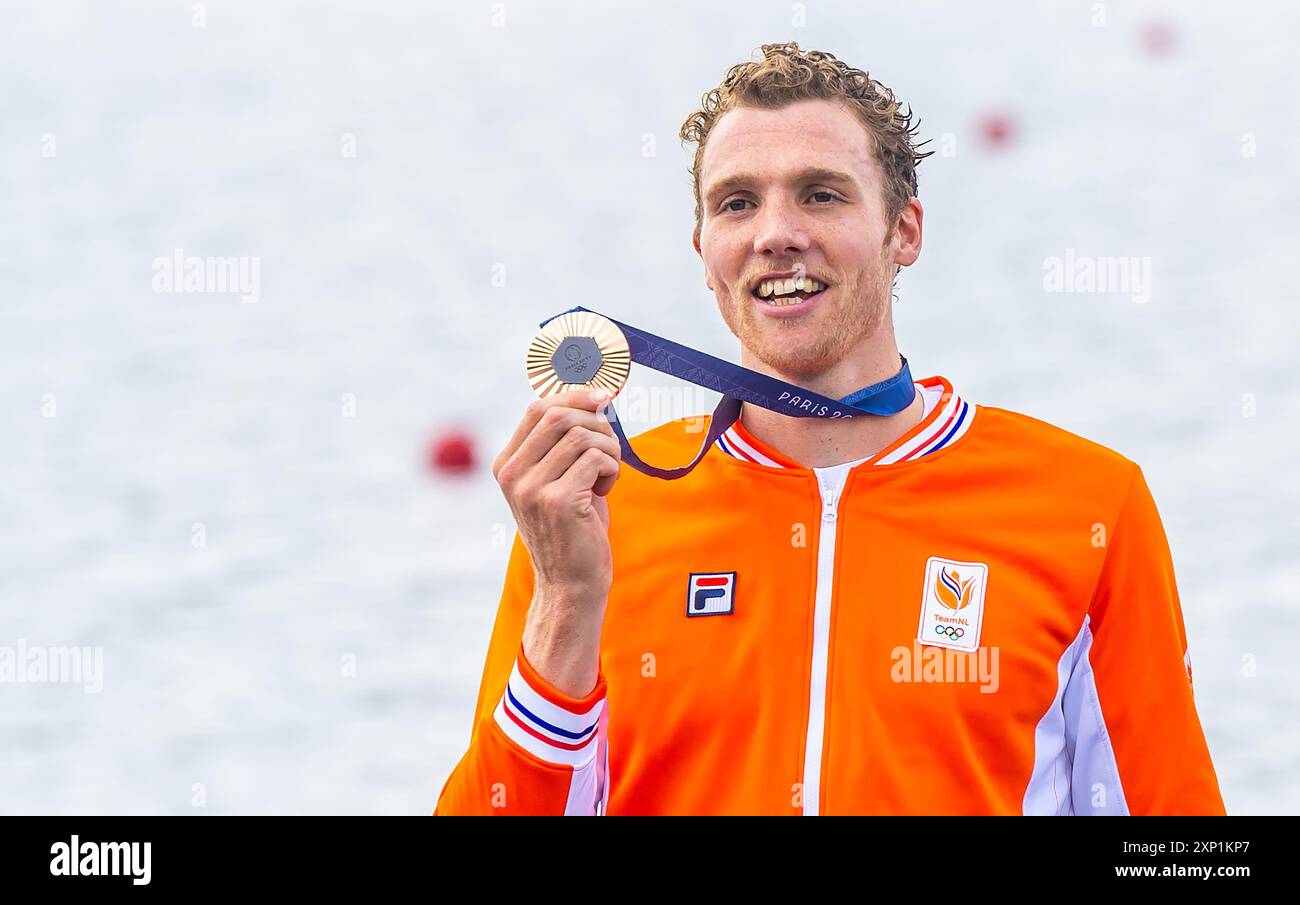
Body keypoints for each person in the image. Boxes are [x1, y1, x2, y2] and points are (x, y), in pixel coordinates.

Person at [434, 42, 1225, 815]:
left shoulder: (1085, 502)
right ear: (704, 249)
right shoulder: (597, 513)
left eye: (821, 193)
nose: (775, 232)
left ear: (905, 232)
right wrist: (567, 603)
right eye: (737, 202)